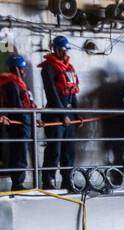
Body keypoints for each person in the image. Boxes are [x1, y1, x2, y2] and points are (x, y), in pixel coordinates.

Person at [40, 36, 79, 190]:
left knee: (68, 150)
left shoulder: (69, 68)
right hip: (55, 114)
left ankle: (67, 179)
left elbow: (73, 92)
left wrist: (76, 114)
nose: (64, 52)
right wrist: (63, 115)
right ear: (55, 49)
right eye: (62, 49)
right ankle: (48, 179)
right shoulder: (48, 68)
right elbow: (51, 93)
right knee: (54, 149)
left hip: (69, 114)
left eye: (66, 50)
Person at [0, 54, 35, 191]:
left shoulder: (17, 83)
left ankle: (18, 182)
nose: (23, 71)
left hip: (23, 122)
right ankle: (17, 183)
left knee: (19, 152)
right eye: (22, 69)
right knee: (19, 154)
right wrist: (27, 121)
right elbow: (17, 106)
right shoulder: (12, 84)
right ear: (16, 69)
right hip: (19, 124)